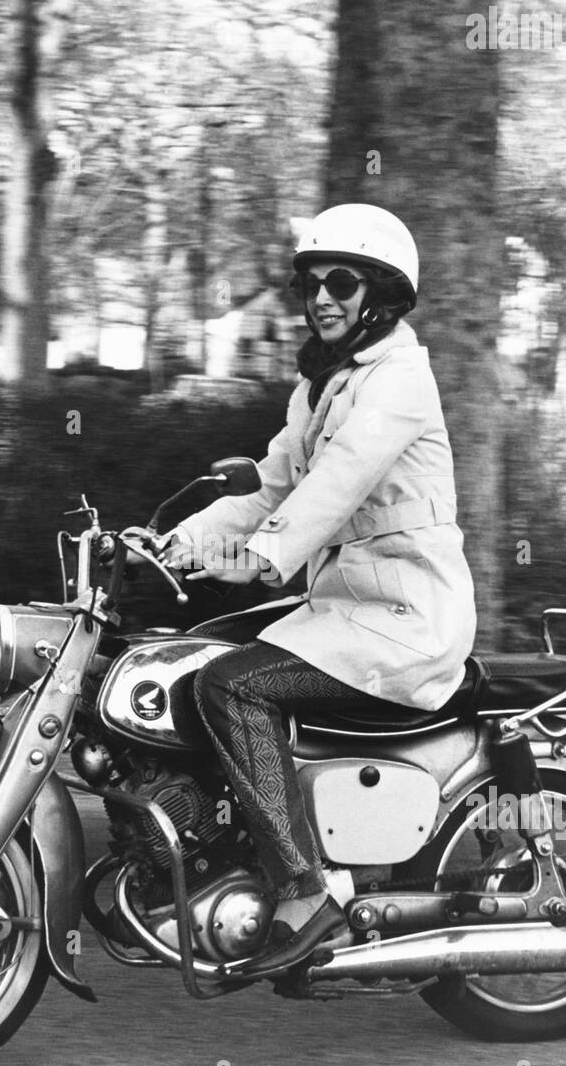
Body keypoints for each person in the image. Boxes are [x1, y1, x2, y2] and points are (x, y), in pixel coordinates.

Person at [165, 203, 477, 978]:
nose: (322, 298)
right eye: (311, 283)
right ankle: (219, 855)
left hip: (404, 619)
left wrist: (261, 558)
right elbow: (272, 486)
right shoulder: (322, 387)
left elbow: (333, 489)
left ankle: (306, 893)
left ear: (382, 294)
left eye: (342, 281)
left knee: (231, 687)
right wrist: (172, 543)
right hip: (346, 611)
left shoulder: (399, 380)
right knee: (181, 668)